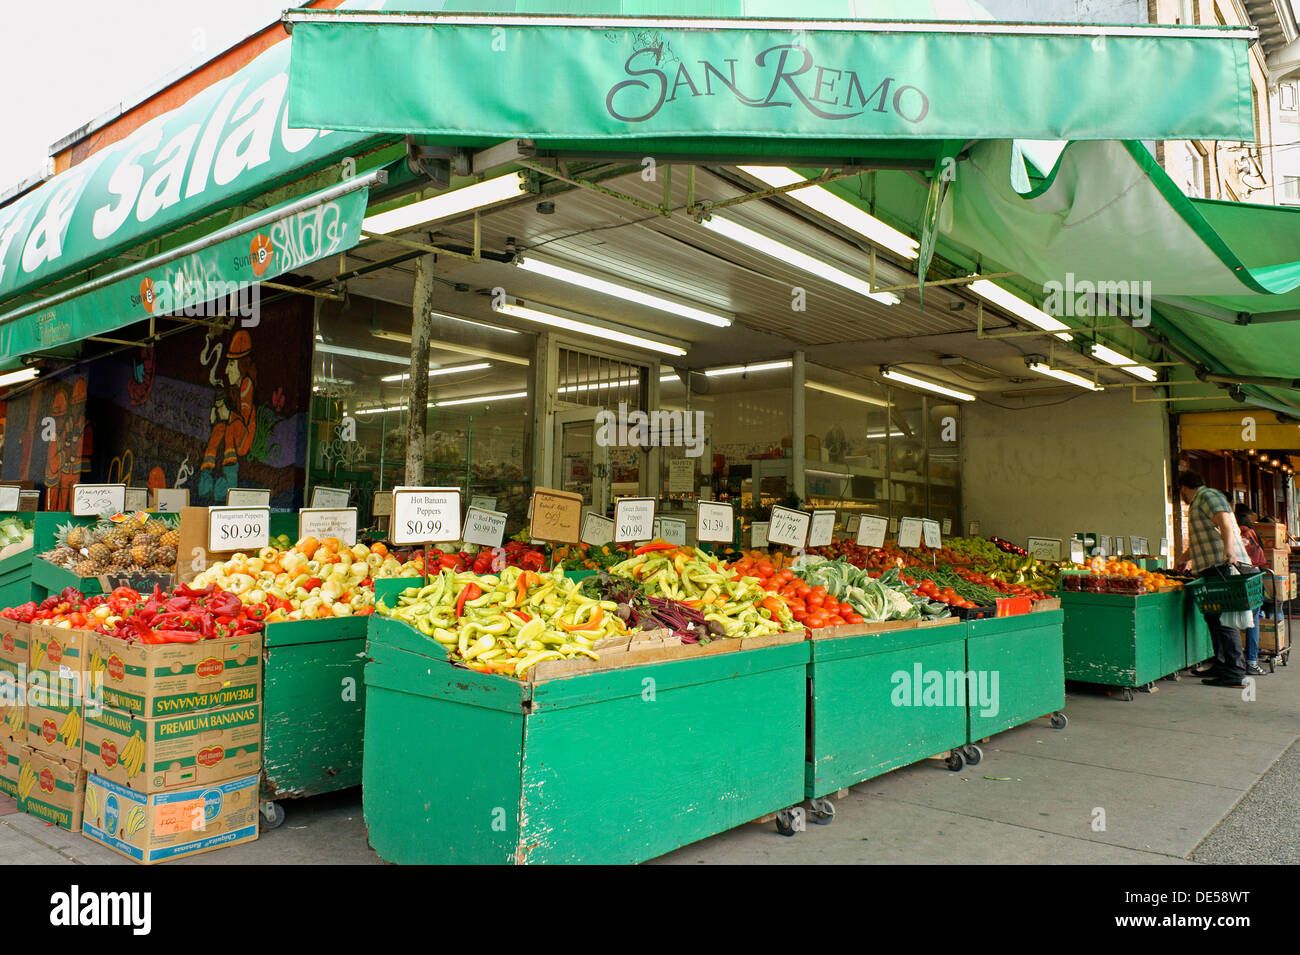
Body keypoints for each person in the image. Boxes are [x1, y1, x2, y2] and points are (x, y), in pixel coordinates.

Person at [1177, 471, 1251, 688]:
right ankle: (1221, 665)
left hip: (1222, 567)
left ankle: (1236, 673)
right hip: (1211, 567)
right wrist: (1184, 559)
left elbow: (1225, 522)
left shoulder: (1208, 496)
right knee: (1213, 618)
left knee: (1224, 618)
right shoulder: (1199, 501)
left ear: (1183, 487)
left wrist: (1229, 551)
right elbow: (1204, 539)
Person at [1235, 503, 1269, 676]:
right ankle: (1251, 661)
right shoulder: (1251, 532)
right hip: (1253, 577)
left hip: (1243, 576)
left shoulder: (1242, 533)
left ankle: (1245, 661)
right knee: (1253, 619)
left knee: (1246, 619)